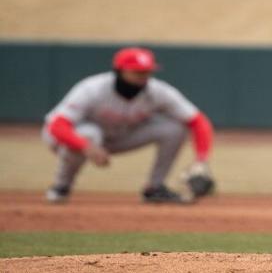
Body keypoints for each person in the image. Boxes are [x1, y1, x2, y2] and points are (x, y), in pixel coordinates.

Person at [42, 46, 215, 204]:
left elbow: (198, 120)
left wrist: (201, 161)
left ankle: (155, 188)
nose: (143, 77)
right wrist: (85, 146)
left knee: (174, 129)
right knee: (89, 133)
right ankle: (61, 187)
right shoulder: (92, 89)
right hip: (72, 138)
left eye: (147, 72)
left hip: (118, 137)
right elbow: (57, 125)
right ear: (119, 71)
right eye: (137, 72)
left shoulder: (158, 91)